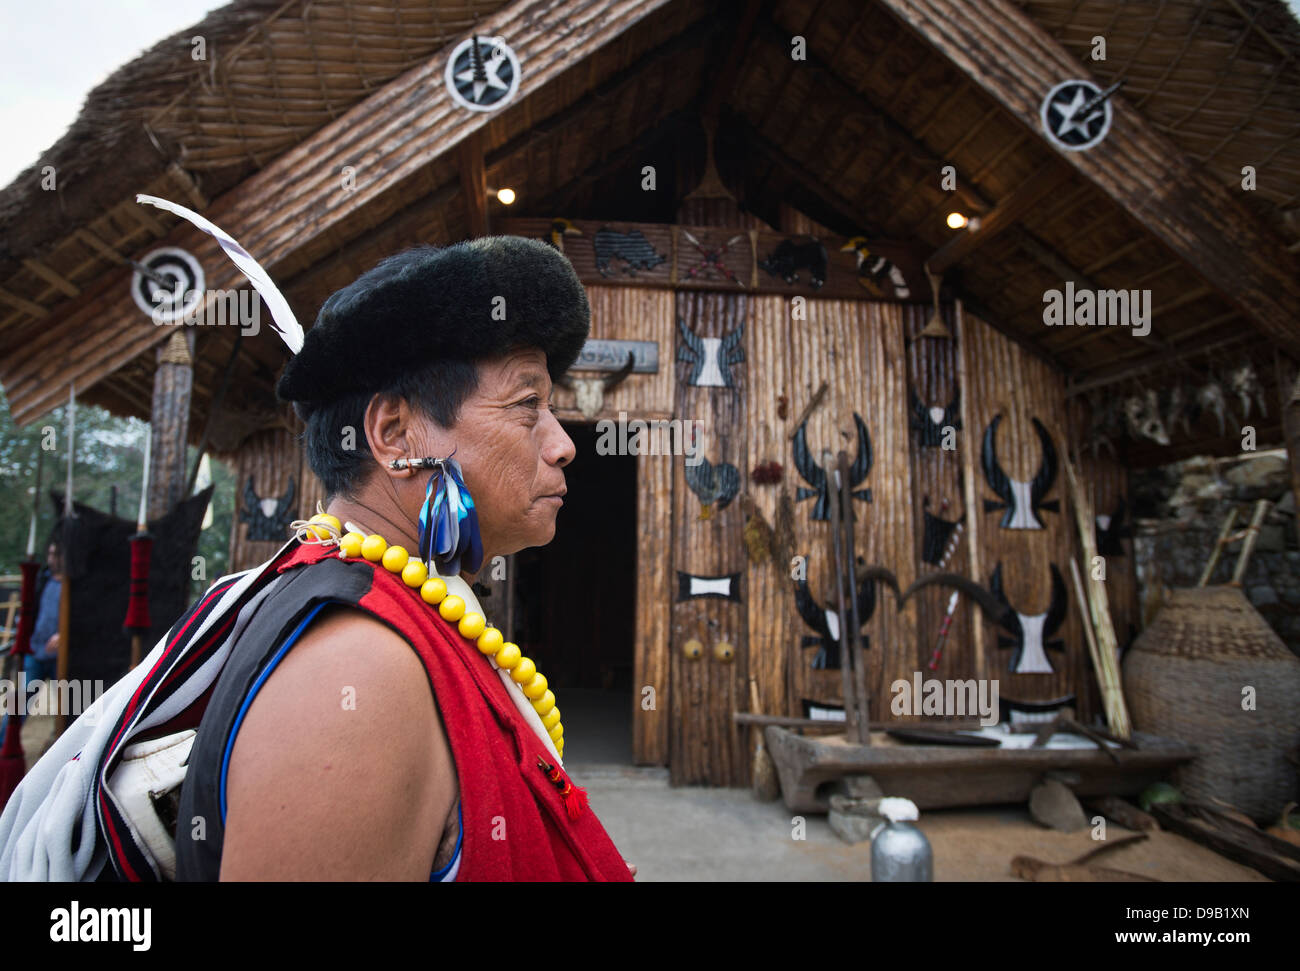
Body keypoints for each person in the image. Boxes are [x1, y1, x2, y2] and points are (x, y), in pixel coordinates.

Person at [0, 543, 61, 736]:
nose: (51, 559)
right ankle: (4, 745)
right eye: (50, 553)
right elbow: (29, 612)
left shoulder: (74, 586)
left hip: (62, 656)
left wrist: (64, 635)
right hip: (35, 650)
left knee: (71, 704)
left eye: (56, 554)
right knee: (20, 702)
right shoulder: (42, 581)